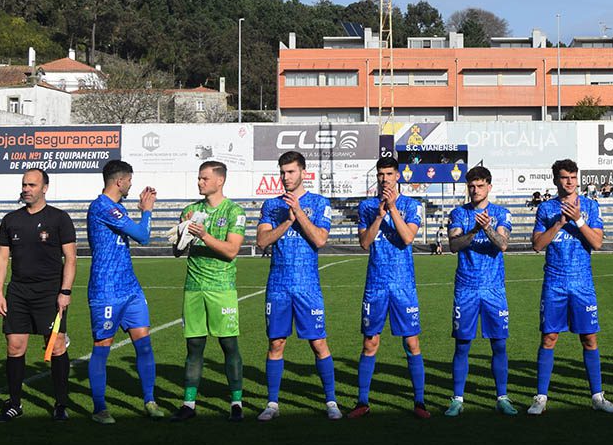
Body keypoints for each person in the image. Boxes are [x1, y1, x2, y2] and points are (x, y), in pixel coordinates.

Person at [529, 158, 613, 415]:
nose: (569, 182)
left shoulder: (591, 206)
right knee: (549, 337)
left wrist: (579, 220)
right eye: (564, 177)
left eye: (572, 177)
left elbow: (598, 243)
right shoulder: (546, 209)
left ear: (577, 179)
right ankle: (541, 398)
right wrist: (558, 223)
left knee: (589, 338)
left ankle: (597, 396)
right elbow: (537, 245)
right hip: (554, 283)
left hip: (583, 284)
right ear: (556, 180)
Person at [255, 151, 338, 421]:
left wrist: (299, 213)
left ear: (303, 172)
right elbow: (262, 241)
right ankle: (272, 403)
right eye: (282, 172)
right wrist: (288, 221)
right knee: (276, 343)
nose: (285, 177)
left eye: (290, 172)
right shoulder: (271, 206)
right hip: (278, 285)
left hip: (307, 286)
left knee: (318, 342)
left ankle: (331, 401)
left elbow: (320, 240)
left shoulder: (319, 202)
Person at [0, 169, 77, 422]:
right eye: (24, 184)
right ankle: (15, 403)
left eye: (32, 184)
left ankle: (61, 403)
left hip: (50, 292)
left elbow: (71, 258)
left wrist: (65, 291)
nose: (26, 188)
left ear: (45, 188)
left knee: (56, 346)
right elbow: (1, 258)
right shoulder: (10, 220)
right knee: (15, 346)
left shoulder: (60, 219)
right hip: (18, 291)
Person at [86, 160, 165, 423]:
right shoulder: (102, 207)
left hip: (129, 287)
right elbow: (142, 236)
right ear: (120, 181)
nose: (131, 184)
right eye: (129, 180)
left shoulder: (116, 208)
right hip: (106, 289)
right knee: (102, 347)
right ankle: (100, 408)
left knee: (144, 344)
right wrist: (147, 211)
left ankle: (150, 400)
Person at [171, 161, 248, 422]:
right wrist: (183, 234)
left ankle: (236, 402)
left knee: (229, 344)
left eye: (204, 178)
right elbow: (177, 253)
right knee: (194, 346)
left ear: (220, 181)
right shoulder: (190, 210)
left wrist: (202, 234)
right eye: (199, 178)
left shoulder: (235, 211)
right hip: (194, 288)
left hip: (221, 288)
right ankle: (188, 403)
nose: (200, 182)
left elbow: (231, 251)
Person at [352, 156, 428, 419]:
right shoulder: (367, 207)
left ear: (398, 176)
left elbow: (407, 238)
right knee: (370, 342)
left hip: (403, 284)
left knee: (411, 342)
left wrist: (393, 209)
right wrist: (379, 216)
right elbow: (364, 243)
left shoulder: (412, 205)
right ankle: (362, 401)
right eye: (380, 174)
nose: (384, 179)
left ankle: (419, 402)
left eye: (388, 174)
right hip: (376, 284)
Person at [444, 166, 516, 416]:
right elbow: (454, 245)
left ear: (489, 187)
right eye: (471, 186)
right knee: (462, 344)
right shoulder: (458, 213)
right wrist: (474, 230)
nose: (475, 190)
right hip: (466, 288)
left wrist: (487, 228)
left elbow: (503, 245)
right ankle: (457, 399)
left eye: (480, 186)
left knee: (499, 344)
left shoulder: (502, 214)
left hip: (494, 289)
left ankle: (502, 397)